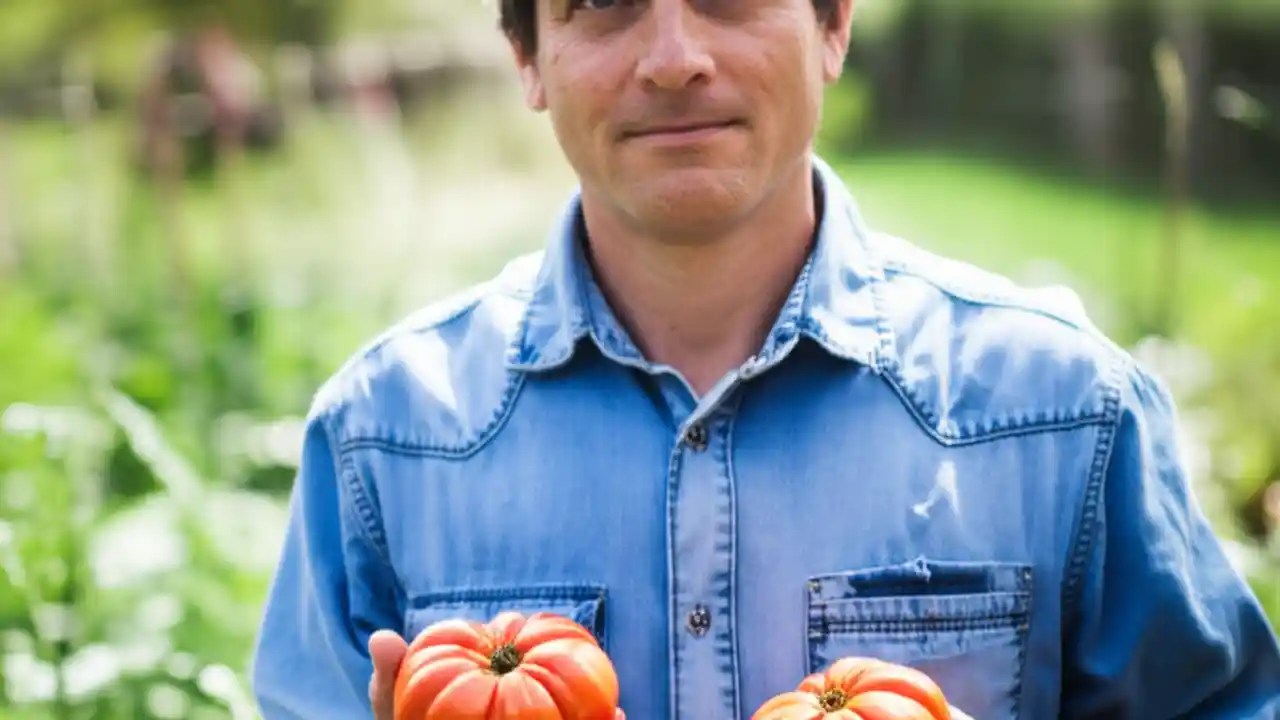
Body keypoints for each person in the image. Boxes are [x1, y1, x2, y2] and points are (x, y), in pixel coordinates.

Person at [249, 0, 1280, 717]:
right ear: (527, 56)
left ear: (832, 25)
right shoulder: (383, 441)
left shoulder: (1063, 417)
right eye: (601, 0)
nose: (670, 57)